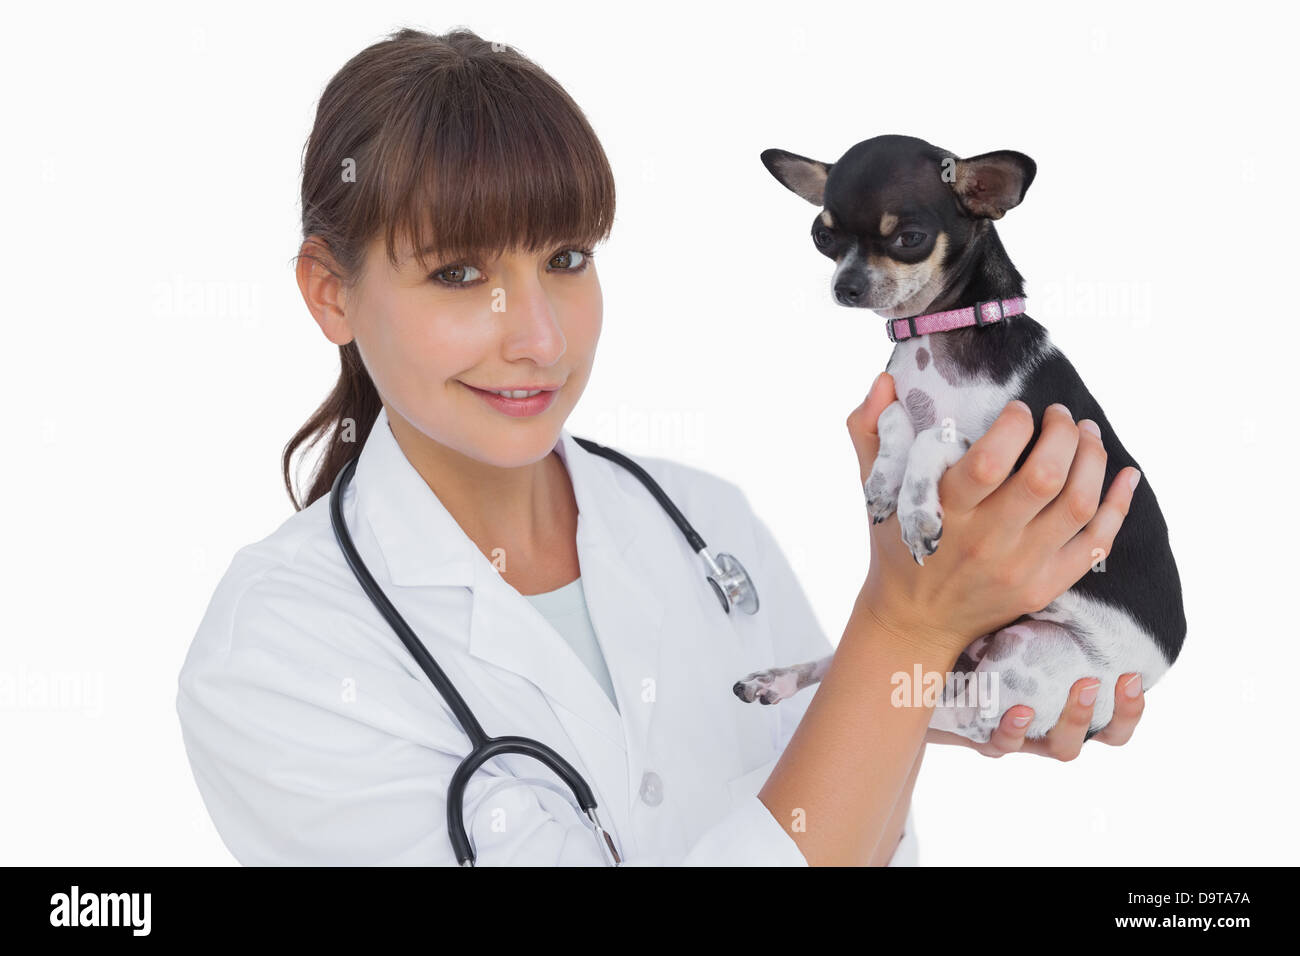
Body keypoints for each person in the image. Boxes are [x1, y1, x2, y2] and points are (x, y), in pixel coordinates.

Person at [175, 26, 1148, 867]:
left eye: (565, 259)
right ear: (330, 292)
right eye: (460, 272)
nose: (541, 339)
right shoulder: (276, 651)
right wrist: (905, 629)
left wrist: (935, 674)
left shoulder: (705, 522)